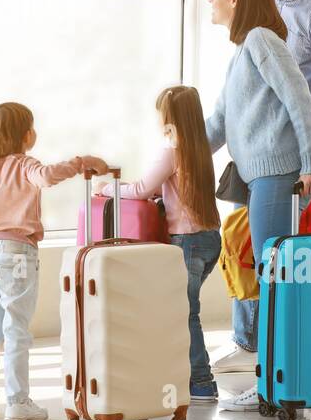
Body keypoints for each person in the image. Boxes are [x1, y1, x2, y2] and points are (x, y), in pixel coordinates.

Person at [95, 0, 311, 373]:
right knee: (247, 254)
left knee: (280, 268)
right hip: (258, 159)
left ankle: (282, 367)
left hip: (290, 159)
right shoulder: (252, 16)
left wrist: (306, 153)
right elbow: (221, 118)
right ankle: (253, 349)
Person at [200, 0, 311, 411]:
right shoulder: (241, 55)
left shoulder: (261, 41)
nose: (210, 0)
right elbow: (216, 125)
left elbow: (301, 98)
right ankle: (277, 377)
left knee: (273, 278)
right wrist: (176, 157)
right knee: (269, 275)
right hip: (260, 179)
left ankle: (273, 383)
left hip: (278, 176)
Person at [0, 102, 108, 420]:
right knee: (16, 330)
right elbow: (48, 177)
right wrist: (82, 163)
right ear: (27, 136)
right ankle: (17, 402)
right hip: (18, 255)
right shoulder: (25, 165)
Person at [94, 85, 222, 403]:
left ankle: (202, 382)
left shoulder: (172, 150)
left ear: (169, 117)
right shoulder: (200, 150)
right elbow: (173, 191)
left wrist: (107, 188)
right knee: (184, 310)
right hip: (210, 239)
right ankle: (186, 375)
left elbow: (139, 189)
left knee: (185, 313)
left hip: (187, 242)